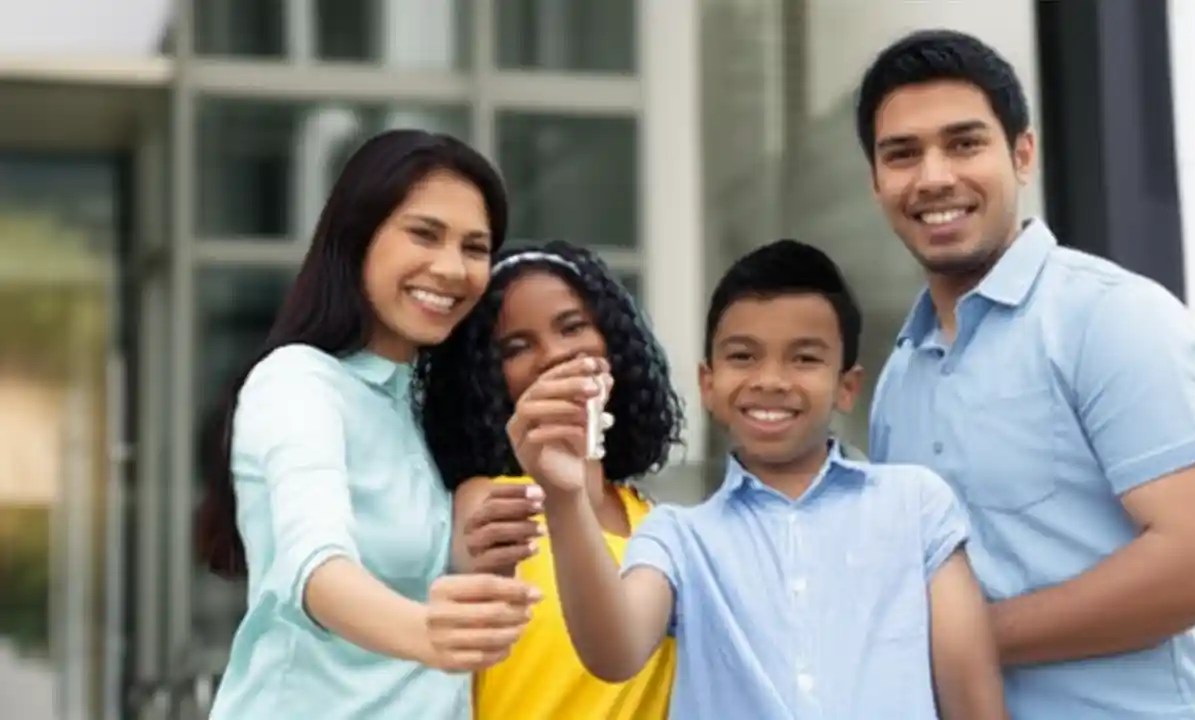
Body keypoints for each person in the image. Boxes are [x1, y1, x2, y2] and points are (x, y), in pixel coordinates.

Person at [858, 29, 1195, 719]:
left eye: (964, 143)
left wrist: (968, 638)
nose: (934, 177)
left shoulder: (1109, 318)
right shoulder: (901, 375)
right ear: (877, 182)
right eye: (902, 154)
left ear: (1023, 154)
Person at [505, 239, 1008, 719]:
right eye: (743, 356)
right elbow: (613, 654)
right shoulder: (677, 537)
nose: (770, 380)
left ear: (847, 387)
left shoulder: (916, 505)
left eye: (805, 358)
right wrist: (564, 498)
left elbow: (972, 697)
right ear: (708, 383)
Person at [194, 130, 539, 720]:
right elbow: (317, 569)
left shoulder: (422, 408)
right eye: (424, 234)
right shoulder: (299, 383)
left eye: (475, 247)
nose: (451, 268)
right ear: (358, 237)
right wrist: (432, 632)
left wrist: (482, 554)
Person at [422, 240, 683, 719]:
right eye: (516, 348)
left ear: (612, 342)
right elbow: (476, 568)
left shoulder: (655, 520)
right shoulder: (488, 499)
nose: (554, 354)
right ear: (487, 378)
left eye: (572, 327)